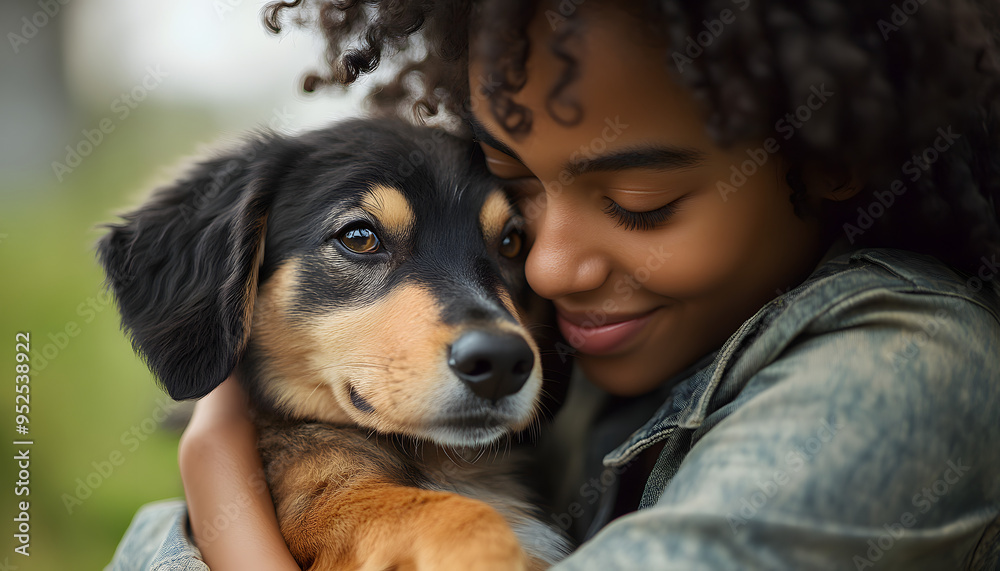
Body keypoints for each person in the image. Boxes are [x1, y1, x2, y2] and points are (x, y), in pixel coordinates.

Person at [107, 0, 1000, 569]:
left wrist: (223, 520)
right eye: (522, 196)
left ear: (830, 149)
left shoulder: (905, 371)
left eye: (637, 199)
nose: (542, 271)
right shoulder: (594, 368)